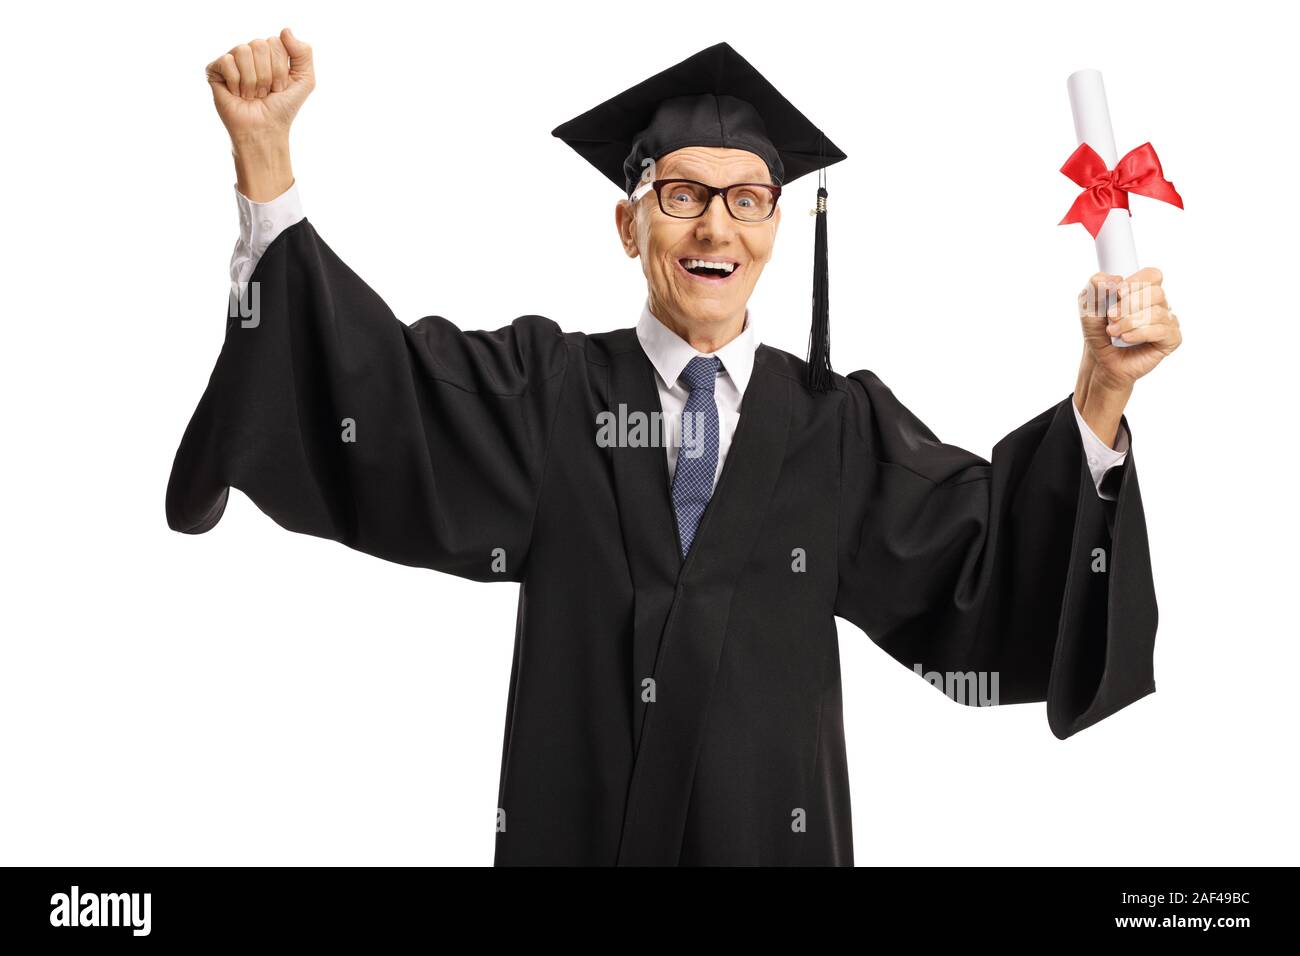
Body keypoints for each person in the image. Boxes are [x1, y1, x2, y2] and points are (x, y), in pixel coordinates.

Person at [168, 30, 1178, 866]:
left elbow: (983, 561)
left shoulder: (837, 431)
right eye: (682, 193)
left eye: (747, 198)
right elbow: (375, 394)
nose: (716, 225)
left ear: (775, 225)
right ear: (628, 221)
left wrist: (1100, 388)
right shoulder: (546, 393)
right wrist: (266, 163)